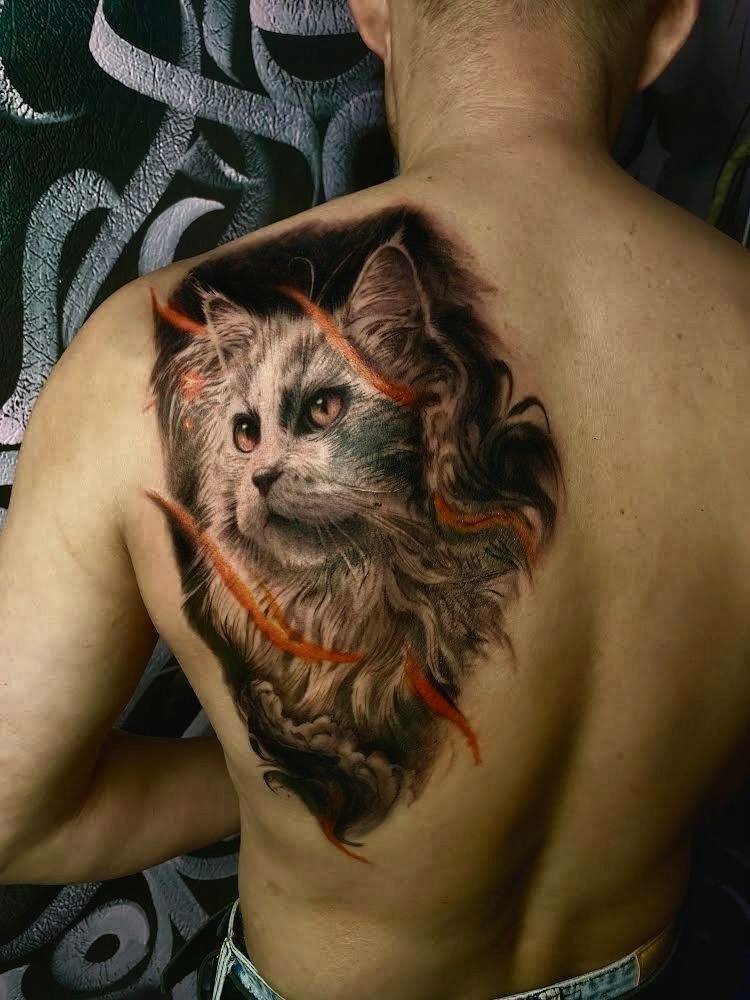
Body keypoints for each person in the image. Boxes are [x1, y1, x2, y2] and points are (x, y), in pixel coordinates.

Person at [1, 0, 747, 997]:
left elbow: (13, 813)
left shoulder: (138, 360)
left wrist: (289, 774)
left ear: (373, 10)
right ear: (669, 28)